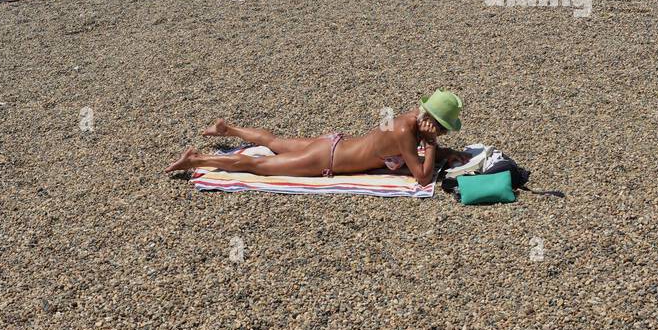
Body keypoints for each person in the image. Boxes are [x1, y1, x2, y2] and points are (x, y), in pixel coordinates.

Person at [164, 91, 464, 187]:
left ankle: (228, 129)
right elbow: (422, 178)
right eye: (442, 129)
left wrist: (445, 151)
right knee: (261, 166)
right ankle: (197, 159)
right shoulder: (405, 133)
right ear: (432, 121)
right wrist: (434, 146)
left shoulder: (408, 121)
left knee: (276, 142)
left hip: (333, 142)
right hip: (326, 159)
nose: (441, 134)